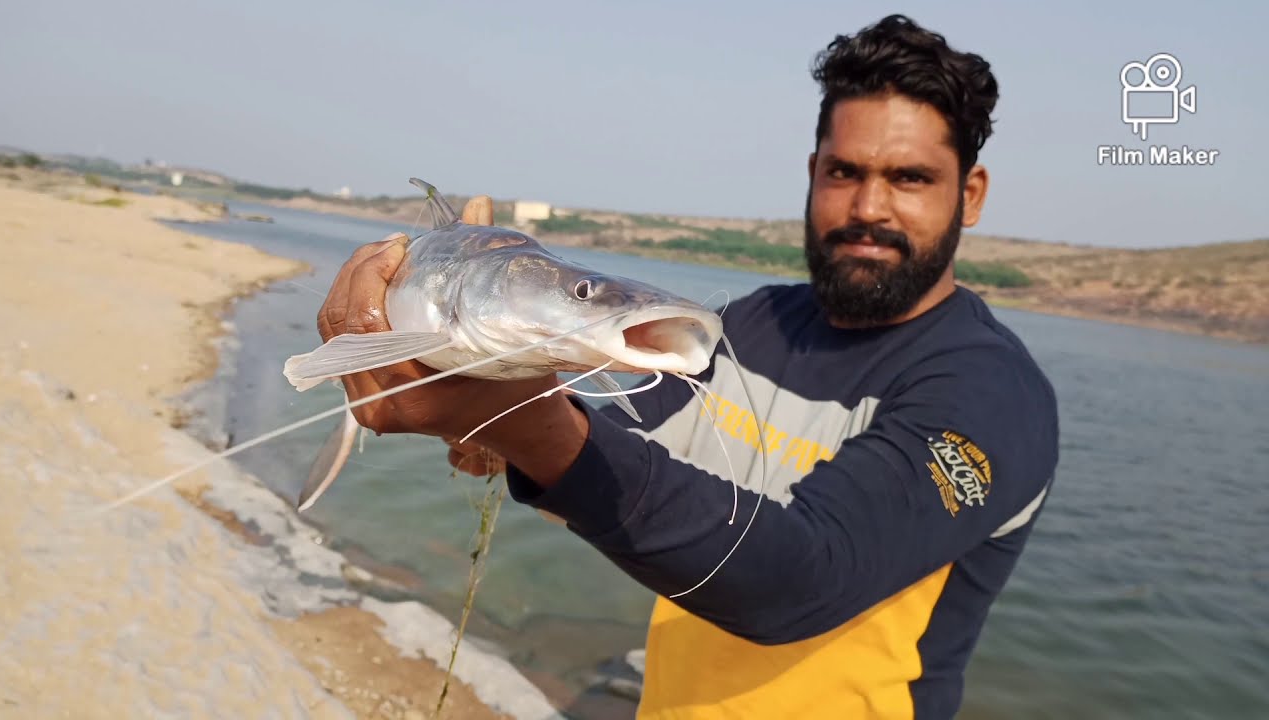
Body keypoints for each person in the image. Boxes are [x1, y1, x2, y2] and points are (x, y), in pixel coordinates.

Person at [318, 14, 1059, 720]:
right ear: (812, 173)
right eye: (844, 171)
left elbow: (802, 579)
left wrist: (535, 432)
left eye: (910, 178)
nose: (869, 205)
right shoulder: (752, 324)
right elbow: (611, 462)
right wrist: (493, 389)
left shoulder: (994, 397)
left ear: (971, 195)